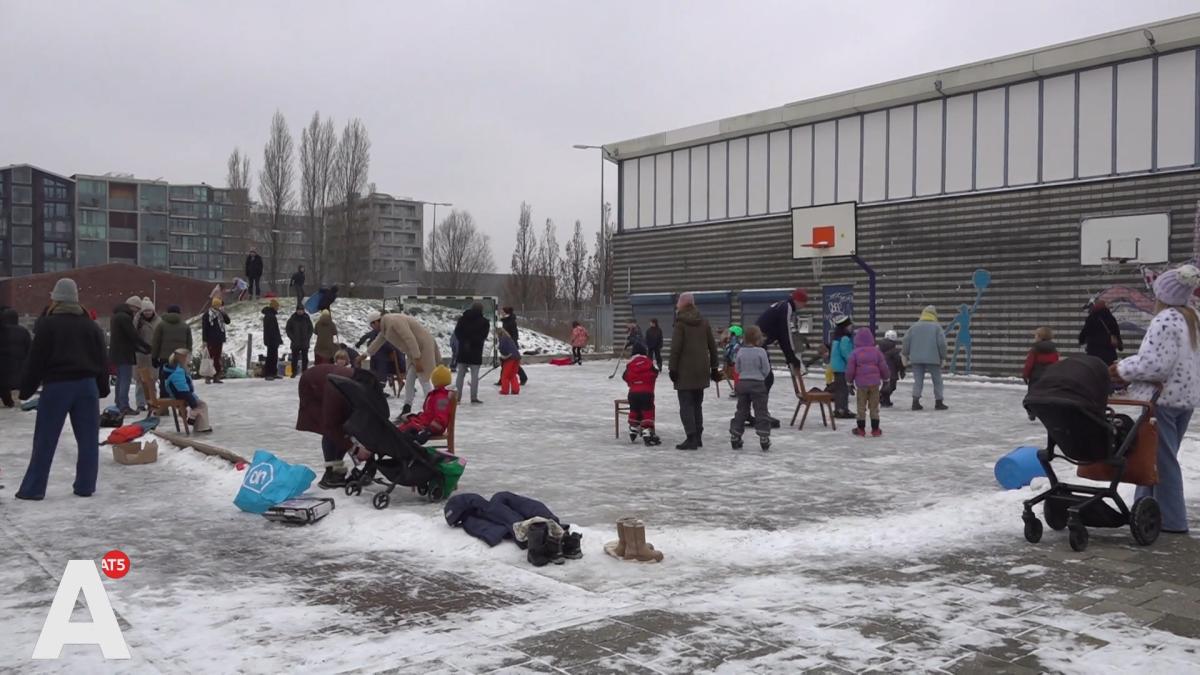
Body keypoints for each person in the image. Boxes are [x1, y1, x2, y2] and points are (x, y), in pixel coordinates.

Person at [1113, 264, 1200, 534]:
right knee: (1156, 459)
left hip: (1160, 399)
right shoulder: (1192, 319)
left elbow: (1154, 365)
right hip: (1184, 399)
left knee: (1162, 463)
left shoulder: (1164, 320)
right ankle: (1144, 510)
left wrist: (1120, 368)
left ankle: (1172, 521)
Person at [15, 279, 110, 500]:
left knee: (45, 440)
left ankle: (33, 489)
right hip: (87, 387)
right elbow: (102, 360)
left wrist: (25, 390)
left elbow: (35, 360)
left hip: (57, 386)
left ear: (56, 299)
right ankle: (85, 486)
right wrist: (102, 388)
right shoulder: (91, 326)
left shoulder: (47, 325)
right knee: (88, 440)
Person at [668, 292, 718, 450]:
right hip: (701, 370)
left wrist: (672, 368)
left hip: (685, 371)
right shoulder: (704, 322)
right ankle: (698, 436)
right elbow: (713, 347)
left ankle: (691, 437)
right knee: (697, 404)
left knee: (686, 405)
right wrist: (714, 367)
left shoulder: (680, 323)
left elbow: (675, 349)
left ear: (682, 304)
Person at [367, 312, 441, 415]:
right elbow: (377, 342)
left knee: (423, 378)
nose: (372, 328)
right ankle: (407, 407)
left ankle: (432, 408)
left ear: (375, 322)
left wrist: (417, 358)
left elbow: (409, 338)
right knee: (410, 378)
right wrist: (364, 355)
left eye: (372, 325)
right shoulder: (385, 327)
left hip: (422, 348)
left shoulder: (393, 321)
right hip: (413, 351)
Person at [296, 362, 355, 488]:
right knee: (330, 426)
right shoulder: (336, 390)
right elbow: (330, 425)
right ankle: (330, 473)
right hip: (313, 386)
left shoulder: (354, 386)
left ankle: (336, 469)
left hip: (329, 384)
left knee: (343, 426)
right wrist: (353, 448)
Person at [728, 325, 772, 451]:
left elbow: (737, 368)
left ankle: (735, 435)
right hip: (758, 384)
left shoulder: (740, 351)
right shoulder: (761, 352)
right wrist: (760, 376)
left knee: (741, 410)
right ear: (758, 339)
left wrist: (743, 375)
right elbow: (766, 369)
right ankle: (763, 436)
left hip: (742, 384)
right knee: (761, 410)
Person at [756, 289, 809, 389]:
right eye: (803, 304)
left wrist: (789, 357)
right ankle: (759, 402)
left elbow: (781, 335)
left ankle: (758, 401)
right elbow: (785, 335)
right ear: (798, 301)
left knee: (763, 377)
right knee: (767, 378)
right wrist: (792, 357)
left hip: (757, 341)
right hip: (759, 342)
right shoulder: (786, 307)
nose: (803, 307)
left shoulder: (782, 305)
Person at [846, 327, 890, 437]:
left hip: (861, 384)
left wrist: (849, 382)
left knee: (861, 406)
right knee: (874, 406)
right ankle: (875, 429)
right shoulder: (876, 352)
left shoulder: (855, 353)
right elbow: (883, 366)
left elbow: (850, 369)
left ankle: (861, 429)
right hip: (874, 383)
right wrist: (886, 379)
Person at [902, 305, 949, 411]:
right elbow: (942, 344)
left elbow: (906, 340)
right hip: (933, 358)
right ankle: (939, 402)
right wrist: (943, 356)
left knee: (918, 380)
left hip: (916, 358)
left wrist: (905, 353)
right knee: (937, 380)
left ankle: (915, 402)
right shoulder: (937, 327)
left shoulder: (914, 327)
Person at [110, 295, 151, 414]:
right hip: (124, 353)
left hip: (116, 353)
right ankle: (124, 406)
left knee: (120, 379)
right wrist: (146, 347)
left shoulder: (116, 316)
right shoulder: (124, 317)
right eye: (137, 309)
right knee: (125, 380)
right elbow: (132, 335)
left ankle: (119, 402)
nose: (138, 312)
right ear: (133, 306)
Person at [397, 364, 454, 442]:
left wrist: (428, 431)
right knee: (403, 428)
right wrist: (415, 417)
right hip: (426, 423)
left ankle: (407, 449)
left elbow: (441, 417)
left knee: (404, 430)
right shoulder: (437, 394)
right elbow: (429, 413)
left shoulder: (441, 397)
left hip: (430, 427)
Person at [161, 348, 212, 433]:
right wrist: (192, 402)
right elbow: (182, 389)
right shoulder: (178, 372)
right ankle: (200, 426)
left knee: (200, 405)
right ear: (183, 359)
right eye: (188, 358)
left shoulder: (174, 369)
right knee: (202, 405)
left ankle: (200, 425)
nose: (190, 360)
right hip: (181, 395)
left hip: (180, 394)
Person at [622, 343, 661, 445]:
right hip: (647, 392)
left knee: (634, 410)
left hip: (633, 394)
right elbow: (655, 373)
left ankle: (633, 428)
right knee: (648, 411)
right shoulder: (649, 362)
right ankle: (647, 431)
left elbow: (625, 376)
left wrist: (633, 383)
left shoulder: (630, 364)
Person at [454, 303, 489, 404]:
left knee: (460, 375)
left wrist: (465, 342)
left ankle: (457, 397)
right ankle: (473, 397)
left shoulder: (462, 319)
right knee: (474, 376)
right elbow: (483, 336)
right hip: (476, 351)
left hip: (463, 350)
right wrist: (473, 342)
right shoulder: (484, 322)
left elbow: (457, 332)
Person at [1022, 327, 1060, 419]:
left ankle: (1031, 412)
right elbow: (1056, 362)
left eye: (1035, 335)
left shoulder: (1035, 350)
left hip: (1036, 376)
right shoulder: (1054, 350)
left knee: (1032, 395)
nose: (1034, 337)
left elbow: (1029, 364)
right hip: (1049, 376)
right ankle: (1048, 411)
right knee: (1047, 394)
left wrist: (1025, 375)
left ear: (1039, 337)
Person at [0, 307, 32, 408]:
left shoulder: (2, 331)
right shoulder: (23, 331)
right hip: (19, 368)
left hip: (3, 368)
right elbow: (30, 349)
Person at [134, 298, 161, 411]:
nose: (148, 313)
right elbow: (133, 334)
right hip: (140, 354)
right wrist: (137, 318)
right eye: (145, 311)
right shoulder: (138, 321)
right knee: (140, 379)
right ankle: (140, 403)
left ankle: (152, 401)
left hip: (154, 354)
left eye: (150, 310)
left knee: (152, 379)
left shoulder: (159, 321)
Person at [1079, 299, 1123, 365]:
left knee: (1095, 372)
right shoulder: (1110, 318)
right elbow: (1116, 332)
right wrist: (1120, 346)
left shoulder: (1091, 318)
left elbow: (1085, 331)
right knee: (1107, 372)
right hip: (1108, 353)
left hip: (1093, 352)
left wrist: (1081, 340)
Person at [829, 314, 855, 419]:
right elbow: (846, 353)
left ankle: (839, 409)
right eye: (849, 325)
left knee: (840, 388)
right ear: (844, 326)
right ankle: (842, 409)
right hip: (841, 367)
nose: (851, 327)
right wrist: (852, 362)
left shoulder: (836, 338)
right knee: (843, 389)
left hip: (836, 366)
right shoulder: (845, 338)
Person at [151, 304, 192, 369]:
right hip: (181, 357)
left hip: (164, 357)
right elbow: (189, 344)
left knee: (165, 376)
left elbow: (156, 342)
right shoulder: (186, 326)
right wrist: (188, 357)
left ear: (167, 313)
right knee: (179, 377)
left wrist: (154, 357)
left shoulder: (161, 325)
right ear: (179, 313)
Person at [201, 297, 231, 383]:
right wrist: (204, 340)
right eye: (220, 306)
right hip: (210, 339)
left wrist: (224, 313)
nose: (220, 307)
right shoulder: (207, 315)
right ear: (216, 305)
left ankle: (216, 376)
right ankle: (208, 376)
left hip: (219, 339)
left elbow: (228, 321)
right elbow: (205, 328)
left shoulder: (221, 314)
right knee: (209, 358)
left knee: (217, 358)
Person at [499, 306, 528, 386]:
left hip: (510, 345)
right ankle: (502, 380)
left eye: (502, 312)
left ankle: (523, 377)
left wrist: (513, 344)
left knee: (510, 363)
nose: (501, 313)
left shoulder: (511, 321)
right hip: (506, 343)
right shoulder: (504, 321)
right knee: (505, 362)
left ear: (506, 313)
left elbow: (515, 334)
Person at [877, 329, 904, 408]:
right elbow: (898, 361)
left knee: (886, 385)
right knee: (891, 386)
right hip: (891, 371)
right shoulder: (894, 350)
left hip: (881, 370)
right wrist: (902, 370)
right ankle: (880, 396)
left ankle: (886, 400)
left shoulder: (878, 348)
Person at [286, 304, 314, 376]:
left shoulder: (306, 318)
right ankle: (294, 372)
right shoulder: (292, 318)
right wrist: (292, 337)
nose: (300, 311)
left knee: (305, 358)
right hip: (295, 342)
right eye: (299, 310)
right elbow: (288, 329)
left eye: (301, 310)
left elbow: (311, 328)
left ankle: (304, 372)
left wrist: (308, 337)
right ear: (296, 310)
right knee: (294, 358)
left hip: (305, 341)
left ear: (303, 311)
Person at [261, 298, 283, 380]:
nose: (278, 308)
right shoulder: (270, 316)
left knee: (274, 356)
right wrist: (274, 339)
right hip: (271, 340)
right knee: (271, 357)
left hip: (273, 340)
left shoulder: (271, 315)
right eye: (277, 307)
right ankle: (269, 373)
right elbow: (271, 330)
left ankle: (273, 372)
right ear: (274, 307)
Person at [498, 327, 521, 395]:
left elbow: (503, 350)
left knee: (505, 376)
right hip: (517, 357)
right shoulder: (509, 338)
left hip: (510, 358)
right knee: (512, 375)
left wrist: (502, 357)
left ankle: (505, 391)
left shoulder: (502, 339)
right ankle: (515, 390)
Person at [723, 324, 744, 392]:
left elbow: (732, 350)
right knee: (736, 375)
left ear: (733, 334)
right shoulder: (738, 340)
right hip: (736, 361)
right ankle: (737, 389)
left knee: (737, 375)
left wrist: (727, 355)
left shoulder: (735, 341)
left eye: (730, 332)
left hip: (736, 361)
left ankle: (737, 390)